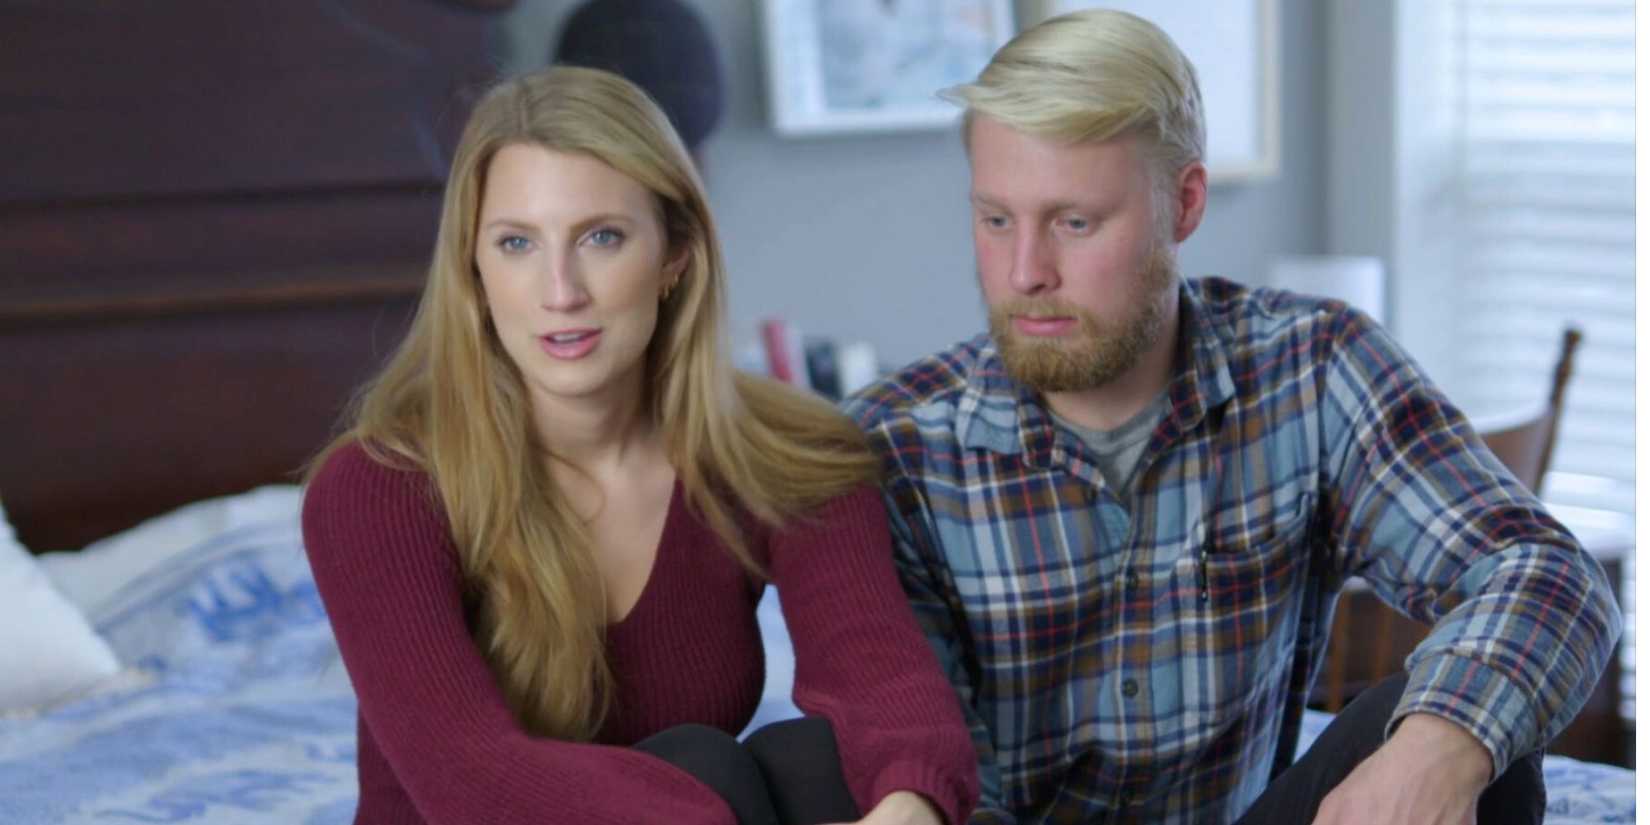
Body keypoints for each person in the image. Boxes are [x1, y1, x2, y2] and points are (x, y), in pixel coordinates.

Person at [843, 9, 1621, 825]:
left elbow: (1549, 571)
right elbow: (925, 775)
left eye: (1074, 222)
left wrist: (1443, 741)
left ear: (1183, 205)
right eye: (996, 218)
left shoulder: (1313, 369)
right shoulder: (891, 450)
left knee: (1477, 741)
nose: (1025, 271)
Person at [302, 66, 978, 825]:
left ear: (674, 254)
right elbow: (471, 777)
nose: (561, 290)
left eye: (602, 237)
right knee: (705, 766)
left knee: (822, 766)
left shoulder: (779, 452)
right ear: (474, 269)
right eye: (517, 242)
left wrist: (909, 807)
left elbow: (876, 673)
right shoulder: (379, 487)